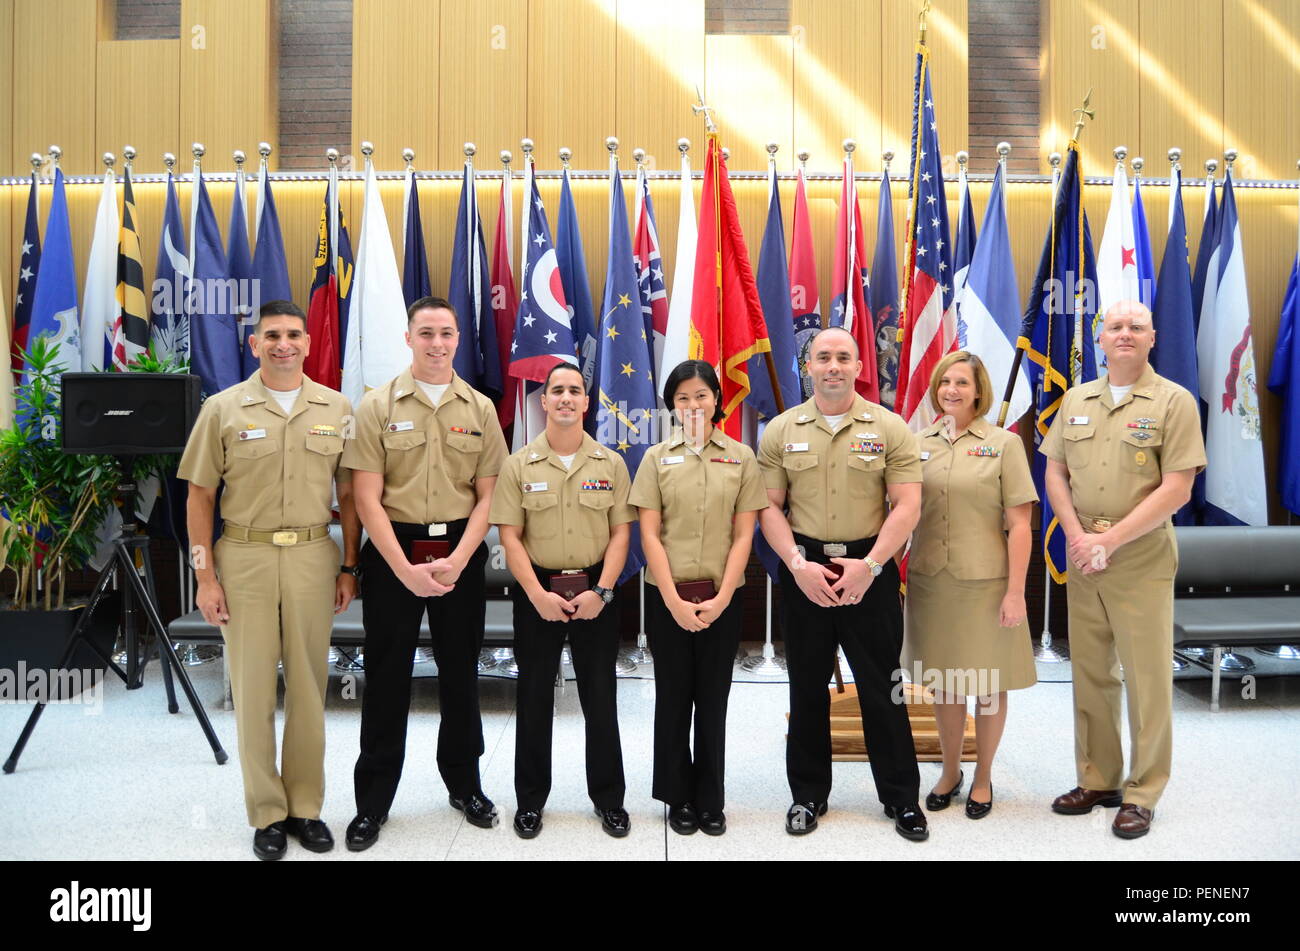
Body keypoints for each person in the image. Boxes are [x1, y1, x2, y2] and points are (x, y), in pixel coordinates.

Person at [180, 299, 359, 861]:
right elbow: (199, 496)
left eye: (293, 335)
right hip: (245, 560)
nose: (284, 344)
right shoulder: (222, 409)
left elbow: (350, 496)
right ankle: (266, 813)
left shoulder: (336, 407)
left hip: (312, 556)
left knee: (309, 687)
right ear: (254, 344)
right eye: (272, 335)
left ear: (309, 344)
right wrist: (205, 580)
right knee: (252, 689)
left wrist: (349, 565)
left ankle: (305, 807)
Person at [340, 296, 507, 852]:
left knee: (462, 672)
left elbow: (490, 495)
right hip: (395, 554)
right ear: (408, 337)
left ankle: (466, 785)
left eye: (448, 333)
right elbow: (365, 497)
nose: (438, 343)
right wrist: (402, 569)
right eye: (427, 332)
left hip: (458, 549)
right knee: (387, 677)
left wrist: (460, 558)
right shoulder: (376, 406)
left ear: (459, 340)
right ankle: (373, 803)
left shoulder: (479, 408)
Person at [1041, 300, 1206, 839]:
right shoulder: (1077, 400)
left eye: (1136, 326)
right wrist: (1077, 536)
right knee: (1090, 672)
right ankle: (1098, 778)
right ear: (1101, 338)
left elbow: (1177, 488)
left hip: (1138, 556)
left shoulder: (1174, 402)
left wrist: (1107, 540)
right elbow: (1056, 474)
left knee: (1147, 678)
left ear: (1152, 337)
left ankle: (1142, 791)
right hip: (1083, 551)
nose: (1125, 334)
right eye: (1115, 327)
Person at [757, 328, 928, 842]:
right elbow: (769, 505)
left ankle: (901, 798)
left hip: (869, 571)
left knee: (883, 689)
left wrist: (872, 566)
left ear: (860, 366)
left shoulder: (890, 427)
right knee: (807, 686)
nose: (833, 365)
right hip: (805, 570)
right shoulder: (782, 430)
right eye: (823, 357)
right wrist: (796, 564)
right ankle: (807, 795)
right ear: (807, 366)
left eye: (843, 357)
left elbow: (908, 505)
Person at [490, 363, 635, 840]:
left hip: (596, 592)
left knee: (601, 698)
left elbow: (621, 535)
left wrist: (603, 591)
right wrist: (536, 595)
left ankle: (609, 800)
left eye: (576, 390)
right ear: (544, 401)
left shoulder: (610, 464)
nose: (567, 398)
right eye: (558, 391)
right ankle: (530, 802)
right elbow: (510, 537)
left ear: (586, 402)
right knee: (532, 699)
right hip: (538, 592)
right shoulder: (519, 465)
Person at [630, 360, 769, 836]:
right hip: (667, 598)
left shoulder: (741, 457)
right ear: (672, 404)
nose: (693, 405)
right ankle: (677, 797)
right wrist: (669, 599)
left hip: (722, 599)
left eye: (701, 396)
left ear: (716, 400)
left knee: (713, 701)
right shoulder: (654, 458)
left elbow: (744, 535)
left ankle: (710, 798)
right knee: (672, 699)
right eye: (683, 398)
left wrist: (725, 596)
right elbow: (648, 535)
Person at [901, 351, 1038, 820]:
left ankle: (983, 776)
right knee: (944, 682)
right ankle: (950, 771)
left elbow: (1021, 525)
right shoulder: (917, 442)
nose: (951, 390)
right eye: (944, 383)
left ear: (979, 391)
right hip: (931, 581)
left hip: (986, 584)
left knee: (986, 684)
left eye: (962, 383)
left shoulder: (1004, 445)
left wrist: (1016, 592)